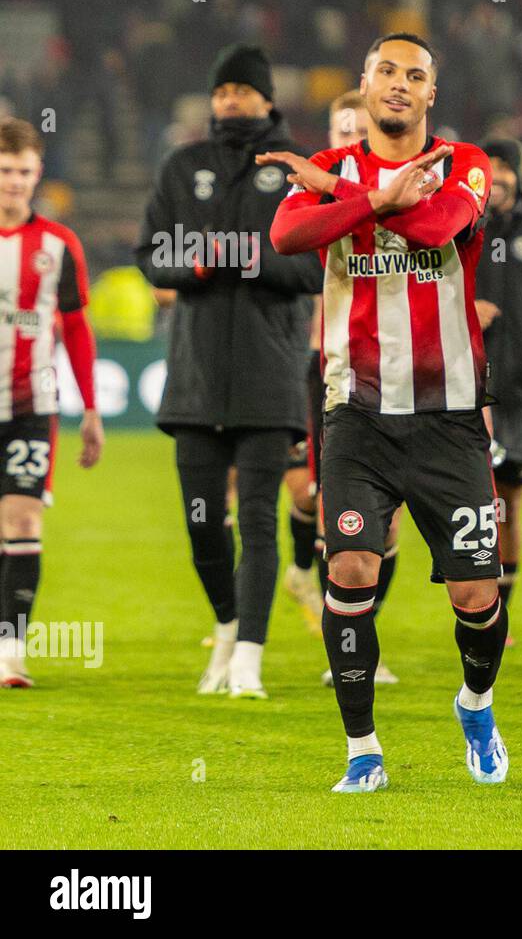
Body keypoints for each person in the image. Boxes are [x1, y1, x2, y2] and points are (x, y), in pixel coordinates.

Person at [263, 33, 507, 793]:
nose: (399, 84)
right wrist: (367, 196)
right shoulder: (335, 168)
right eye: (387, 72)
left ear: (432, 93)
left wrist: (354, 200)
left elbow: (440, 228)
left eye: (415, 75)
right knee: (350, 568)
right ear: (364, 84)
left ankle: (476, 704)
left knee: (477, 594)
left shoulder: (464, 163)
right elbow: (283, 235)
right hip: (357, 413)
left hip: (450, 412)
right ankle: (363, 748)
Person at [134, 43, 321, 699]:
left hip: (270, 377)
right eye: (220, 93)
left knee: (260, 521)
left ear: (267, 99)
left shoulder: (298, 170)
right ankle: (225, 622)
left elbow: (313, 267)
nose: (229, 102)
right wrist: (199, 265)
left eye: (241, 91)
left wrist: (245, 257)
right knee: (200, 520)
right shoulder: (183, 167)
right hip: (195, 377)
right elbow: (152, 255)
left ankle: (249, 657)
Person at [0, 117, 103, 688]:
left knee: (20, 515)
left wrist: (91, 409)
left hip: (32, 404)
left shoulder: (59, 245)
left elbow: (77, 328)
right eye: (6, 172)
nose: (15, 182)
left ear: (38, 173)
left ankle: (9, 652)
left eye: (24, 172)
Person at [308, 91, 399, 687]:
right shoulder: (318, 195)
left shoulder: (404, 192)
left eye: (356, 131)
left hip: (412, 379)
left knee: (386, 529)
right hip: (333, 372)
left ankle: (367, 634)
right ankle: (342, 643)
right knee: (331, 520)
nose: (348, 141)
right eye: (340, 130)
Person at [475, 137, 522, 631]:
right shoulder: (459, 229)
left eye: (506, 168)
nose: (497, 176)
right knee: (470, 505)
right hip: (462, 392)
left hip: (520, 391)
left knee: (506, 505)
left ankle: (501, 618)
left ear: (519, 176)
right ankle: (474, 610)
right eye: (490, 167)